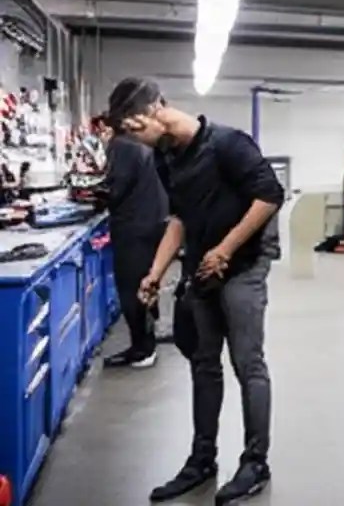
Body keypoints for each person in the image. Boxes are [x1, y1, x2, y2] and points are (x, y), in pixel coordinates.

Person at [106, 77, 284, 504]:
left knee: (247, 363)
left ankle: (255, 462)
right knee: (204, 364)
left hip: (243, 267)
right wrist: (156, 272)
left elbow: (270, 196)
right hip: (201, 269)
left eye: (135, 131)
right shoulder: (166, 159)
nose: (138, 144)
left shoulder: (228, 144)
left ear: (153, 113)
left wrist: (224, 250)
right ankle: (202, 460)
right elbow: (180, 219)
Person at [95, 114, 169, 368]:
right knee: (147, 281)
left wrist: (94, 195)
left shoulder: (120, 146)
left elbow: (118, 188)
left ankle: (142, 349)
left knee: (131, 287)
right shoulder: (141, 144)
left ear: (106, 127)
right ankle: (149, 337)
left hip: (134, 225)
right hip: (155, 220)